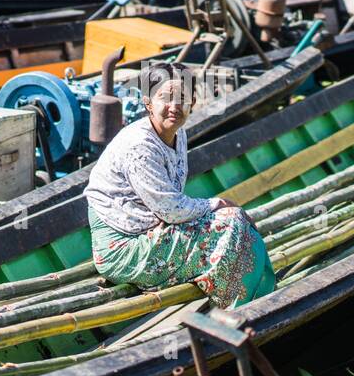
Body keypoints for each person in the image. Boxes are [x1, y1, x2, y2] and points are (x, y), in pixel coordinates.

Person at [85, 63, 275, 309]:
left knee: (238, 224)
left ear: (193, 102)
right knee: (231, 223)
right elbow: (171, 210)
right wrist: (217, 203)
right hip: (124, 249)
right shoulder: (139, 147)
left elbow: (170, 207)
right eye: (165, 97)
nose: (174, 106)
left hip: (153, 230)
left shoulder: (178, 133)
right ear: (148, 102)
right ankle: (237, 309)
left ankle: (261, 295)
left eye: (182, 98)